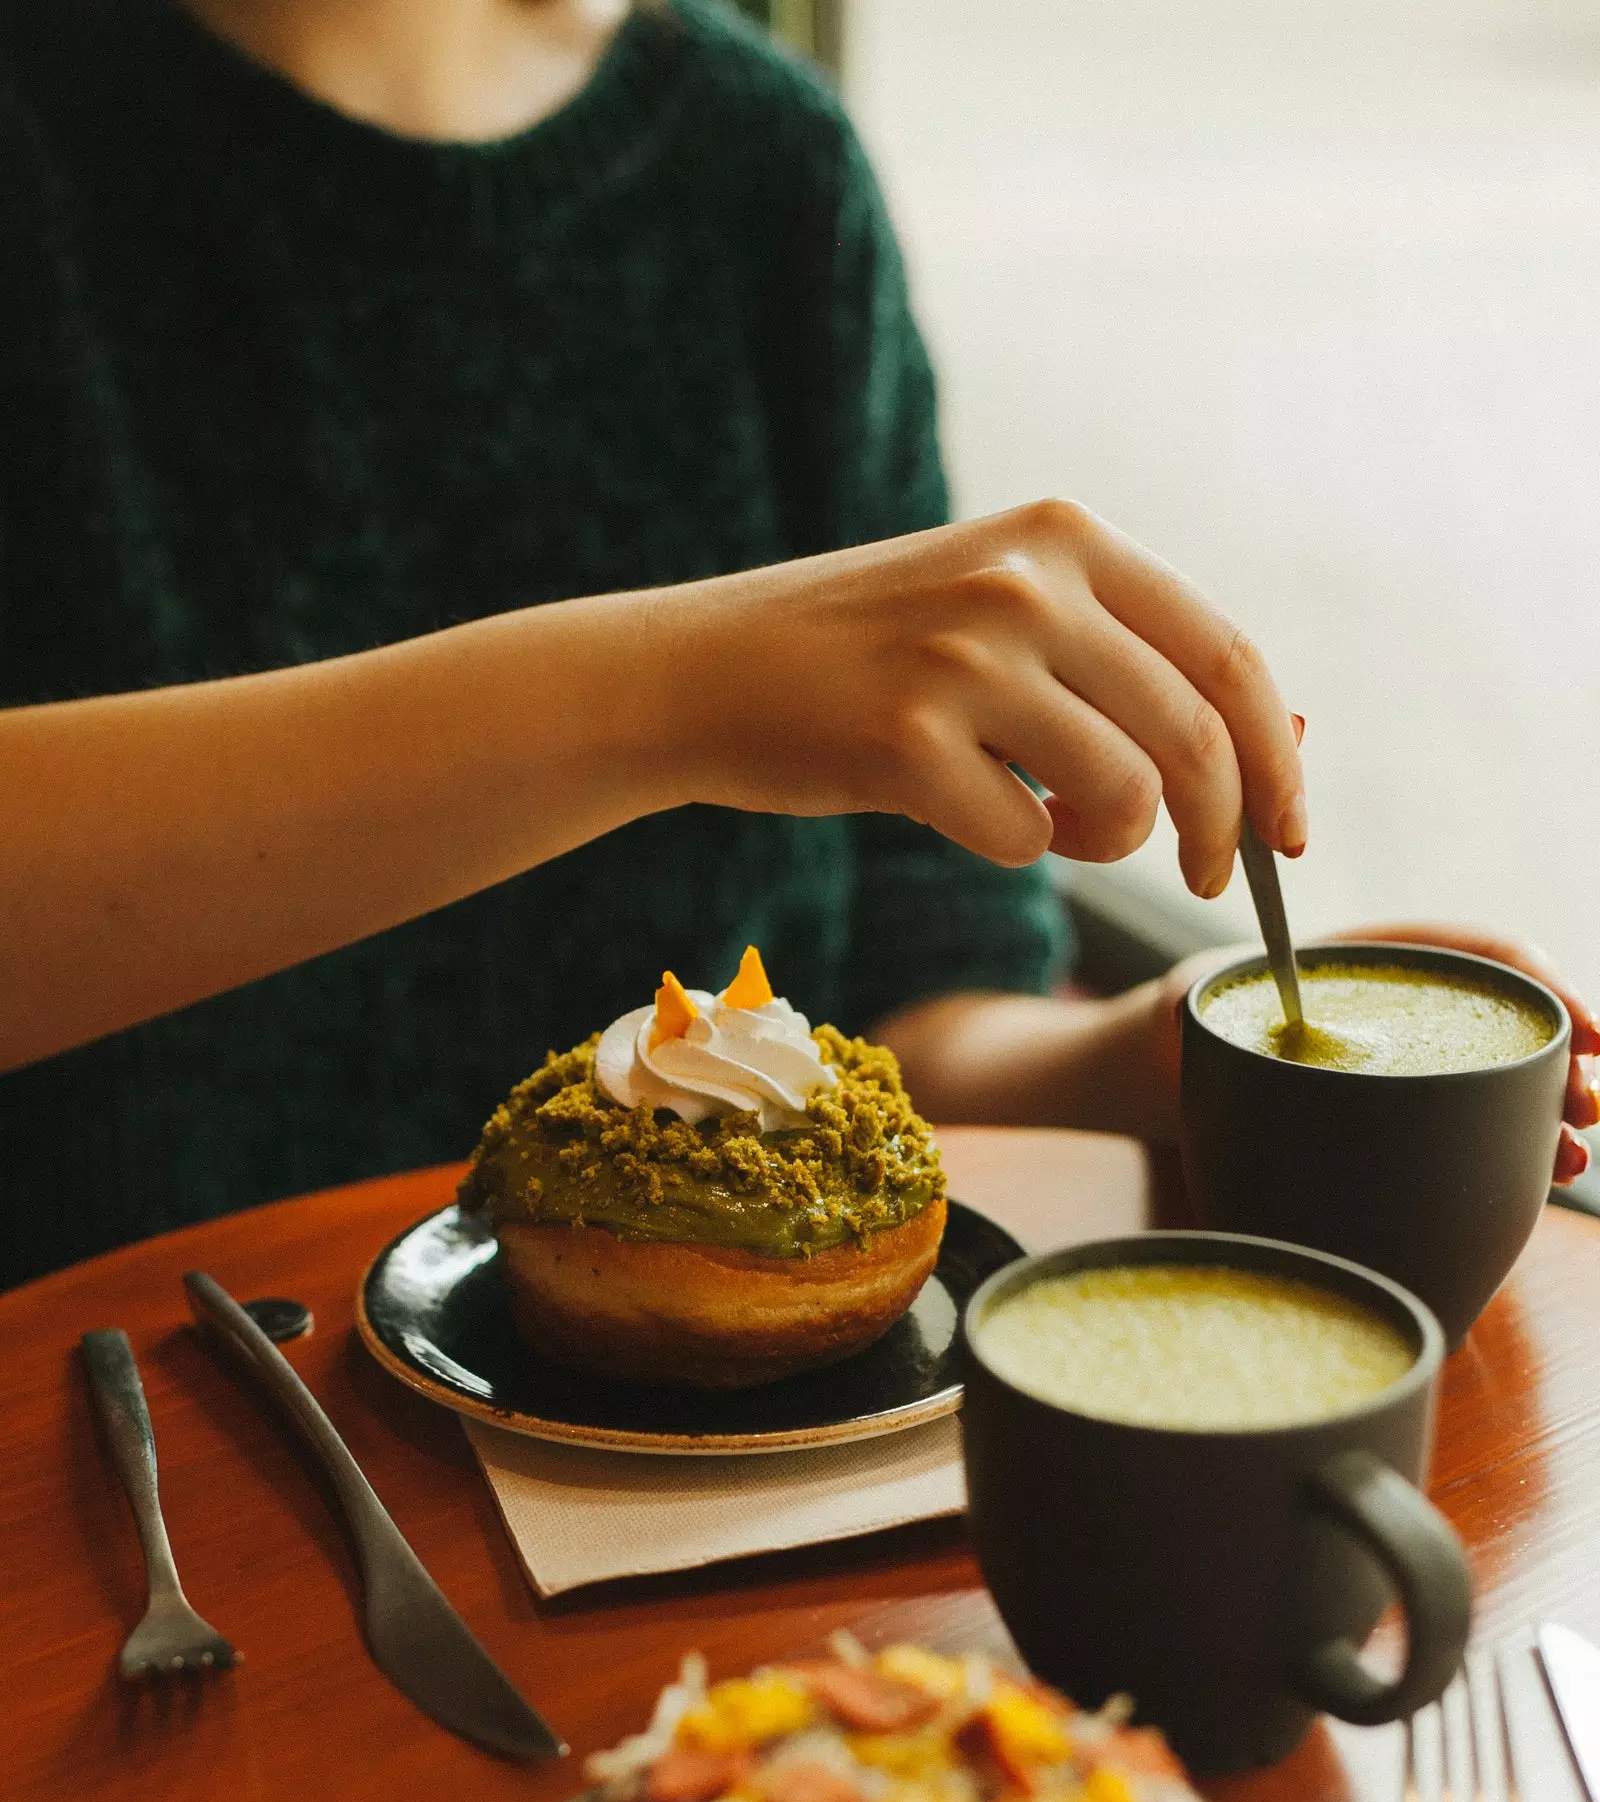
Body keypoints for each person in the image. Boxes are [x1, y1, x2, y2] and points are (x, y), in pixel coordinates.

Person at [1, 0, 1592, 1290]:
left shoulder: (763, 168)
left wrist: (1171, 1056)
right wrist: (674, 690)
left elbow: (919, 1018)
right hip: (122, 1498)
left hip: (718, 1529)